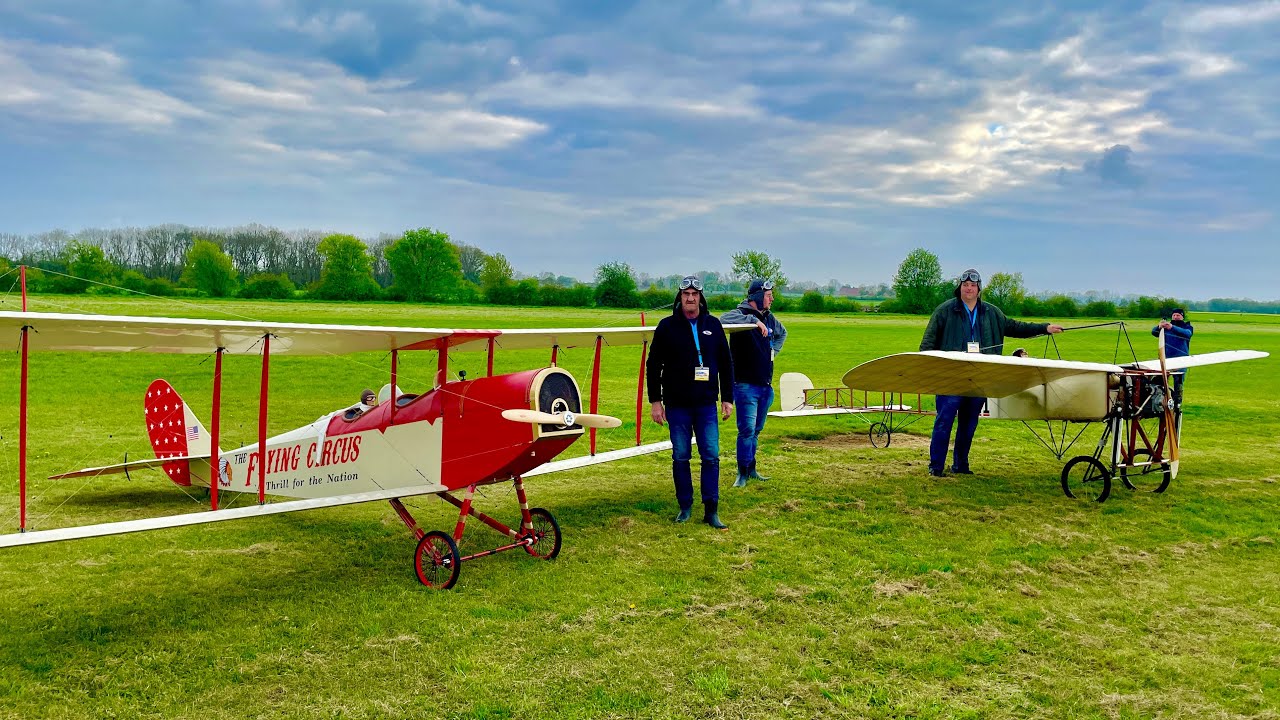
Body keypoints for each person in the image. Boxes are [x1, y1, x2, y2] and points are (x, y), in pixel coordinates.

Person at [919, 269, 1064, 477]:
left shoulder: (991, 312)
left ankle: (960, 465)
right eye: (965, 285)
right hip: (950, 377)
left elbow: (1016, 327)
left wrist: (1045, 328)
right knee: (944, 421)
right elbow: (927, 343)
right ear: (959, 287)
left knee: (969, 424)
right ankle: (936, 466)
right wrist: (927, 369)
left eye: (973, 286)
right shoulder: (944, 311)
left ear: (979, 289)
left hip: (980, 377)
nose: (969, 289)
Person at [647, 275, 735, 529]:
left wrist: (727, 398)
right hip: (677, 405)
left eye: (694, 294)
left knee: (711, 456)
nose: (690, 298)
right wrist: (656, 401)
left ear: (700, 297)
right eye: (686, 294)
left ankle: (711, 509)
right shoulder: (666, 327)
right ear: (680, 297)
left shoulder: (714, 325)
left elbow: (726, 363)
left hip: (706, 404)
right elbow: (653, 366)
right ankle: (685, 506)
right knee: (681, 455)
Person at [720, 279, 787, 487]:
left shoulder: (770, 317)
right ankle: (741, 473)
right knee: (746, 430)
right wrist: (752, 321)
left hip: (765, 385)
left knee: (756, 431)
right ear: (758, 296)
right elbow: (722, 319)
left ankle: (751, 469)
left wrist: (772, 351)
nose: (772, 298)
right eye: (768, 295)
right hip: (745, 385)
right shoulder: (740, 314)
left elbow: (782, 333)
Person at [1152, 307, 1193, 400]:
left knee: (1178, 382)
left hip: (1181, 359)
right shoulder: (1166, 327)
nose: (1175, 317)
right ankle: (1160, 399)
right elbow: (1154, 332)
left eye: (1178, 315)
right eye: (1174, 315)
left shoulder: (1187, 326)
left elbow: (1187, 334)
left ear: (1182, 316)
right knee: (1160, 379)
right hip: (1165, 358)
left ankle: (1177, 403)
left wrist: (1172, 327)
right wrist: (1159, 326)